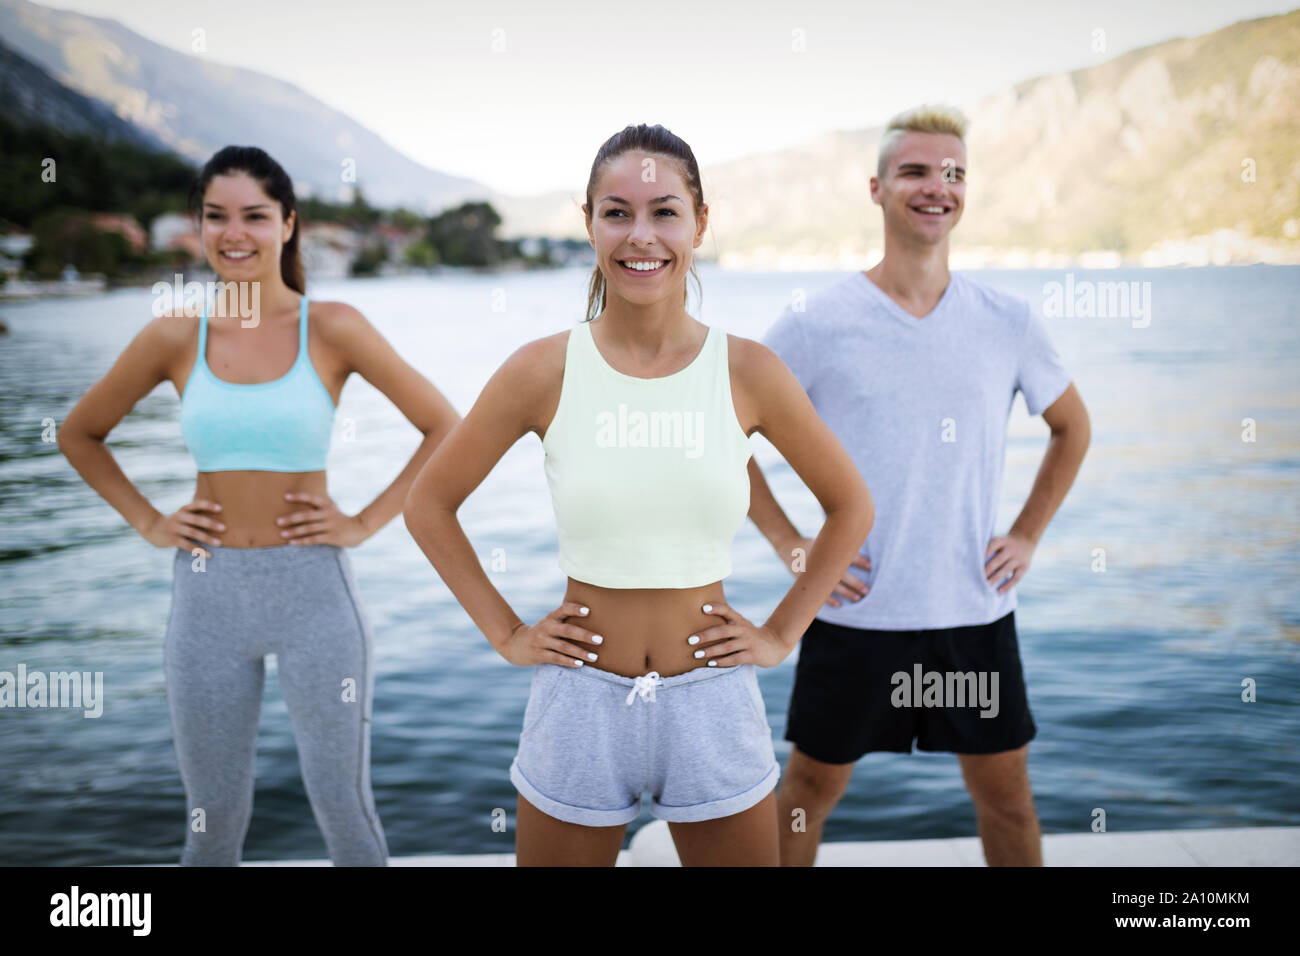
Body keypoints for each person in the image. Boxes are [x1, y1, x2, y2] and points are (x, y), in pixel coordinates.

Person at [404, 123, 873, 867]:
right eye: (616, 212)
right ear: (588, 222)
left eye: (664, 211)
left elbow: (851, 505)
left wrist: (783, 633)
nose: (640, 236)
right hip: (578, 702)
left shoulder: (748, 371)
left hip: (714, 703)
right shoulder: (542, 370)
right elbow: (428, 506)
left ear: (700, 223)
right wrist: (507, 633)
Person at [57, 146, 461, 865]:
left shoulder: (331, 326)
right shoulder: (175, 334)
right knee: (212, 819)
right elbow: (79, 433)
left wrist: (364, 522)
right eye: (216, 216)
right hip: (207, 598)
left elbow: (445, 427)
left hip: (315, 596)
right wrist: (150, 521)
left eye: (254, 216)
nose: (234, 233)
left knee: (343, 807)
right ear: (199, 225)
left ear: (288, 224)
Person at [751, 105, 1091, 866]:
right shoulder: (818, 322)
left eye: (955, 173)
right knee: (806, 792)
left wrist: (1029, 533)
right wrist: (792, 544)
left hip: (972, 612)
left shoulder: (1007, 320)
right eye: (916, 171)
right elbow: (726, 432)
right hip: (856, 613)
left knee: (1006, 798)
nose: (938, 187)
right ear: (876, 188)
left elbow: (1074, 427)